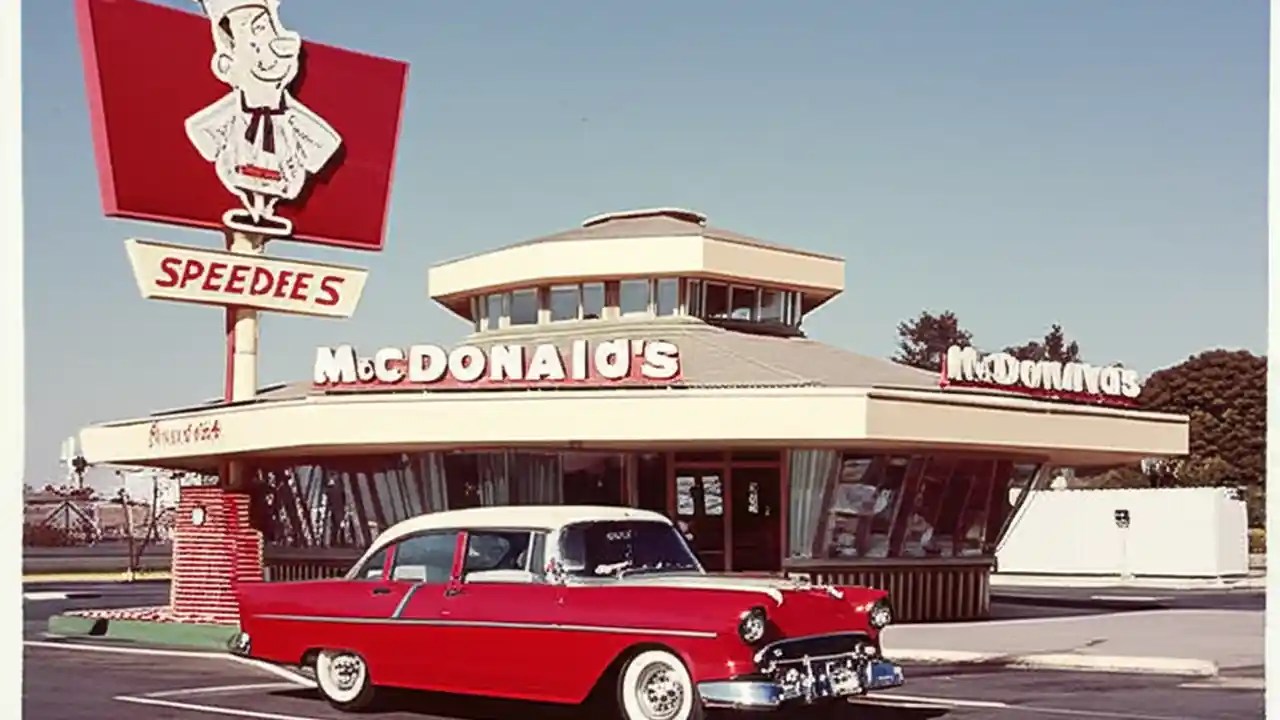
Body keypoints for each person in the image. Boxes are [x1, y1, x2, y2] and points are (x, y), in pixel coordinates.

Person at [185, 0, 342, 237]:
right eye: (255, 40)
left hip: (280, 169)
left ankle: (266, 211)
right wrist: (217, 148)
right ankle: (254, 211)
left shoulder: (289, 114)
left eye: (267, 30)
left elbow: (327, 142)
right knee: (244, 177)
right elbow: (200, 129)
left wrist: (304, 161)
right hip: (241, 164)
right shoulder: (234, 108)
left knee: (275, 180)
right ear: (226, 63)